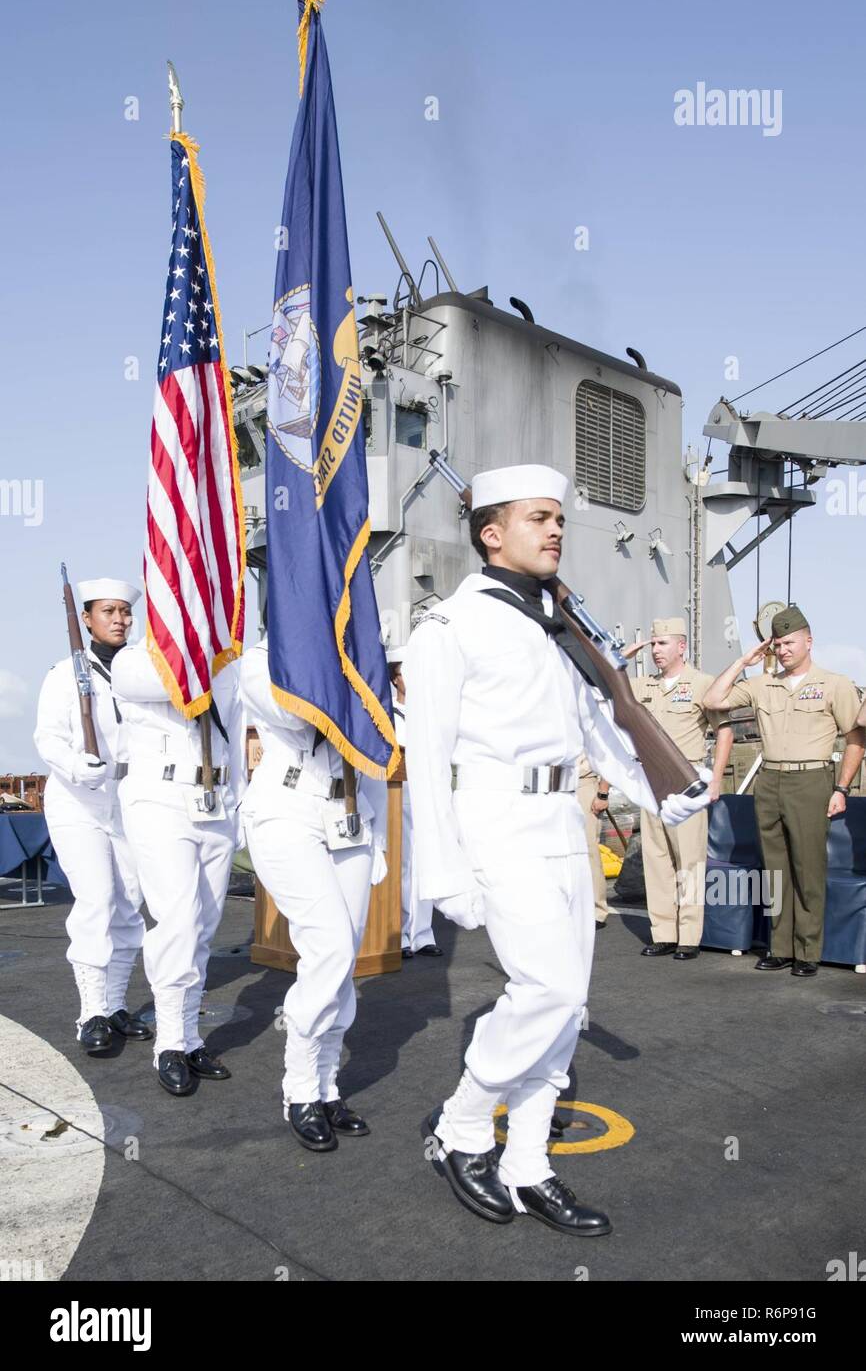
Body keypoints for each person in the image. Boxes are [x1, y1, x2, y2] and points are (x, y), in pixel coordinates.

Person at [404, 464, 710, 1236]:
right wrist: (439, 871)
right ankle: (464, 1126)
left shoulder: (555, 619)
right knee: (542, 990)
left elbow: (601, 728)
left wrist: (665, 789)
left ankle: (527, 1161)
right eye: (538, 518)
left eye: (560, 519)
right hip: (496, 819)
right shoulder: (451, 625)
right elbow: (427, 754)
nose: (555, 530)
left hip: (560, 824)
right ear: (491, 532)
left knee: (567, 1007)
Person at [239, 637, 389, 1152]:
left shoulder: (359, 645)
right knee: (328, 946)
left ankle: (326, 1087)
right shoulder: (263, 658)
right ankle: (299, 1089)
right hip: (286, 808)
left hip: (350, 814)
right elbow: (302, 717)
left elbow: (375, 744)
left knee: (343, 957)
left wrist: (382, 835)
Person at [111, 642, 245, 1094]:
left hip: (216, 801)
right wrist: (201, 644)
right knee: (178, 922)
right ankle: (168, 1043)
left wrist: (240, 807)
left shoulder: (230, 660)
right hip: (160, 798)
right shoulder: (133, 660)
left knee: (205, 927)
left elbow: (239, 730)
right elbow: (179, 683)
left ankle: (190, 1037)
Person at [704, 605, 864, 976]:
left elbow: (856, 739)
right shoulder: (762, 685)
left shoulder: (834, 684)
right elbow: (713, 700)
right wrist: (745, 659)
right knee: (773, 869)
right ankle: (780, 946)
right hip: (770, 781)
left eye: (790, 642)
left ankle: (807, 951)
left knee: (807, 868)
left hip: (811, 781)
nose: (784, 649)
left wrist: (842, 787)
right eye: (777, 643)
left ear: (809, 641)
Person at [34, 578, 150, 1054]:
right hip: (78, 800)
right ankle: (91, 1014)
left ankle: (116, 1003)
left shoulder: (139, 670)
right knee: (97, 900)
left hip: (129, 797)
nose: (120, 619)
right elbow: (47, 737)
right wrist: (74, 763)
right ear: (86, 618)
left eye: (124, 610)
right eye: (108, 611)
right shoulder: (66, 673)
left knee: (129, 901)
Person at [625, 619, 734, 960]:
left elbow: (725, 731)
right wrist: (621, 657)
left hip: (686, 781)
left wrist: (716, 778)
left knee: (689, 860)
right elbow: (604, 689)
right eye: (653, 644)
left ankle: (689, 936)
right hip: (651, 781)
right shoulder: (643, 686)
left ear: (681, 646)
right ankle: (664, 933)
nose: (655, 650)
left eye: (662, 644)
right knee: (656, 859)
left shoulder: (703, 684)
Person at [387, 647, 442, 960]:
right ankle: (399, 934)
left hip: (425, 790)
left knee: (423, 863)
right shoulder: (388, 712)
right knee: (403, 863)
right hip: (400, 791)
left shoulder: (428, 713)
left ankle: (422, 933)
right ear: (396, 679)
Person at [575, 755, 611, 930]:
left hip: (584, 782)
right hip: (551, 786)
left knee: (589, 850)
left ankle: (597, 910)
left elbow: (607, 755)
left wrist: (603, 792)